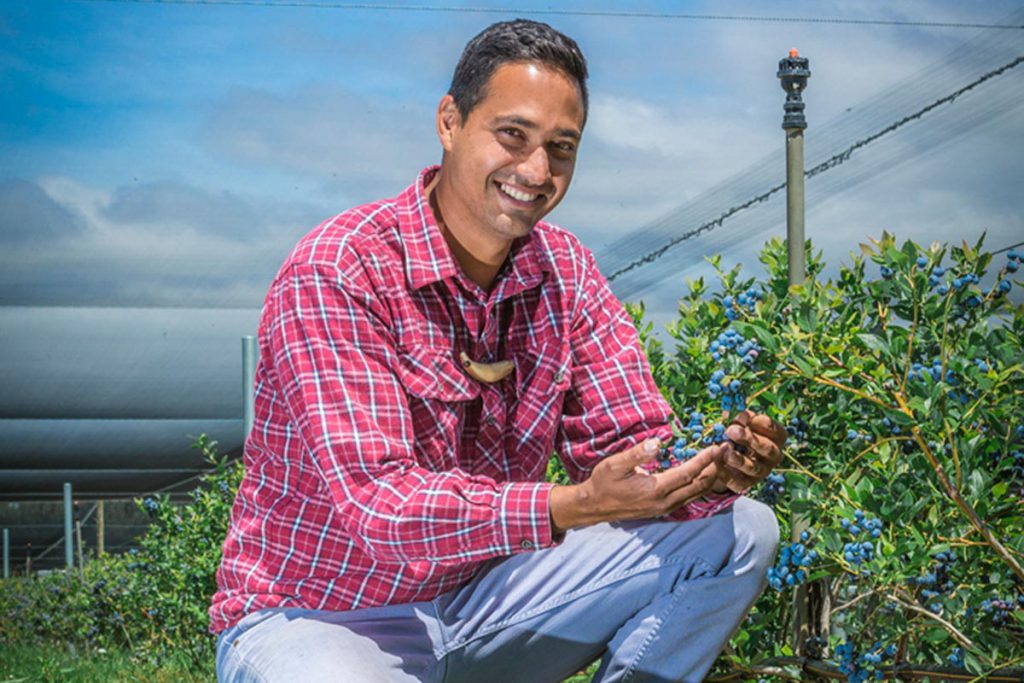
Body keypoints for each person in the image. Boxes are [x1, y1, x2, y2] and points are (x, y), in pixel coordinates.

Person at [211, 18, 785, 683]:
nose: (537, 171)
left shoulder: (564, 272)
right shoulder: (340, 269)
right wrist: (567, 506)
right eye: (512, 135)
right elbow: (378, 506)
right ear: (450, 122)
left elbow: (628, 448)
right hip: (322, 617)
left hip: (483, 603)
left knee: (740, 533)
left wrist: (706, 473)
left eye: (561, 147)